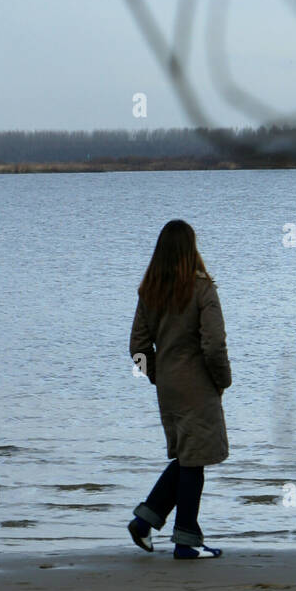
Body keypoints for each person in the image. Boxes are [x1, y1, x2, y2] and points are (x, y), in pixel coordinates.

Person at [128, 220, 231, 559]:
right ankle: (186, 542)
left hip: (168, 388)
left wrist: (158, 377)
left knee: (189, 457)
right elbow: (214, 344)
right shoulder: (202, 289)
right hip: (198, 385)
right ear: (191, 249)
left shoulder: (149, 291)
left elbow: (138, 349)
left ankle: (146, 521)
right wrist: (222, 380)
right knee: (194, 460)